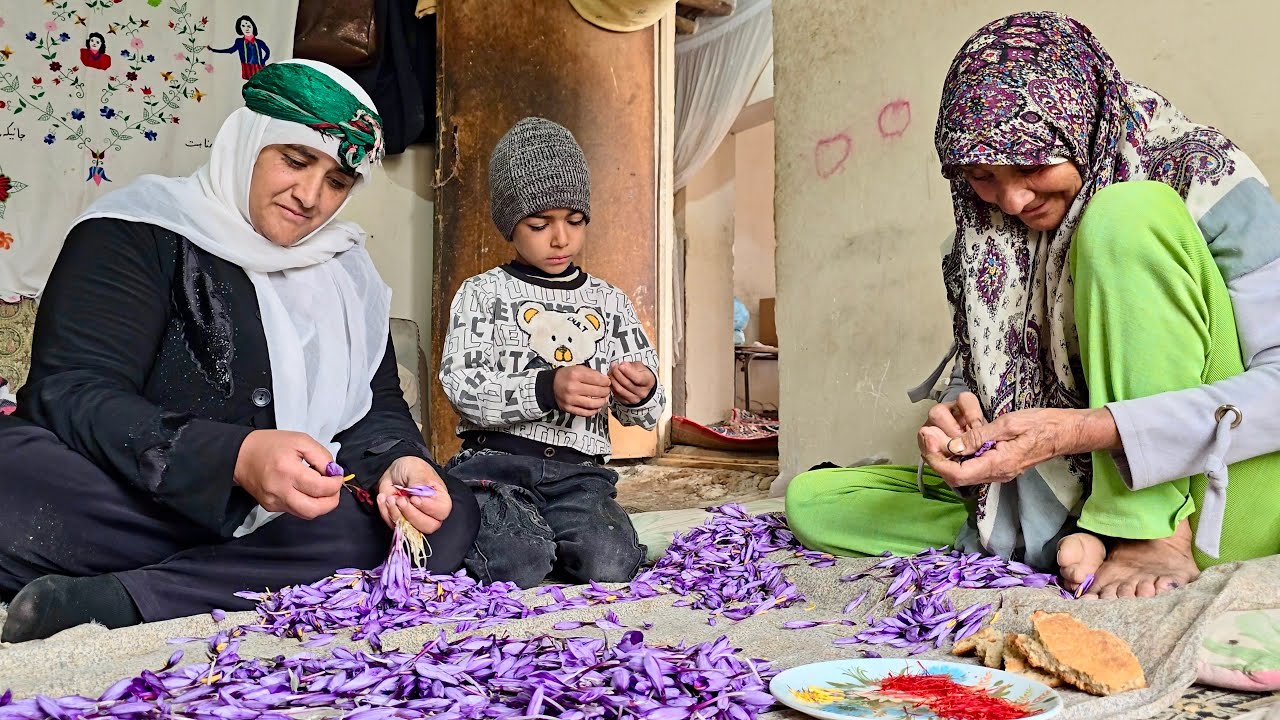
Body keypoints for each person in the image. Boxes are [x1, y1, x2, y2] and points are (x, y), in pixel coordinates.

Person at [786, 11, 1280, 599]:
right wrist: (958, 419)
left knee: (1122, 219)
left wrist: (1086, 430)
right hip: (1074, 488)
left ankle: (1147, 530)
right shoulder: (984, 240)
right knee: (815, 502)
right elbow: (991, 371)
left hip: (1219, 494)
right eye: (982, 175)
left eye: (1033, 165)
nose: (1013, 199)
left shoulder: (1200, 173)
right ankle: (1081, 534)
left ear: (1081, 126)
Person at [0, 59, 479, 643]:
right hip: (136, 494)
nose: (310, 196)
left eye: (336, 181)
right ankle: (239, 571)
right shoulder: (132, 230)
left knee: (445, 519)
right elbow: (72, 392)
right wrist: (236, 458)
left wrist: (402, 462)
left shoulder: (345, 271)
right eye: (296, 160)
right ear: (247, 141)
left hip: (292, 510)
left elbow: (375, 409)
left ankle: (126, 596)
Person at [438, 117, 664, 589]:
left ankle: (552, 537)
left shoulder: (610, 302)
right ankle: (514, 533)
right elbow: (461, 385)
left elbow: (649, 413)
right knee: (517, 562)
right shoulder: (482, 294)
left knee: (610, 564)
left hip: (578, 478)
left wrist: (641, 392)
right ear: (509, 224)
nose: (560, 238)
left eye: (575, 220)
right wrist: (545, 387)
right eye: (539, 224)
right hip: (494, 469)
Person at [209, 15, 270, 81]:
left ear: (253, 27)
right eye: (243, 26)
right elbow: (230, 50)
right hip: (247, 67)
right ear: (240, 28)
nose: (247, 29)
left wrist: (263, 60)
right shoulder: (239, 42)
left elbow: (267, 51)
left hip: (258, 67)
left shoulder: (259, 42)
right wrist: (213, 50)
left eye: (249, 26)